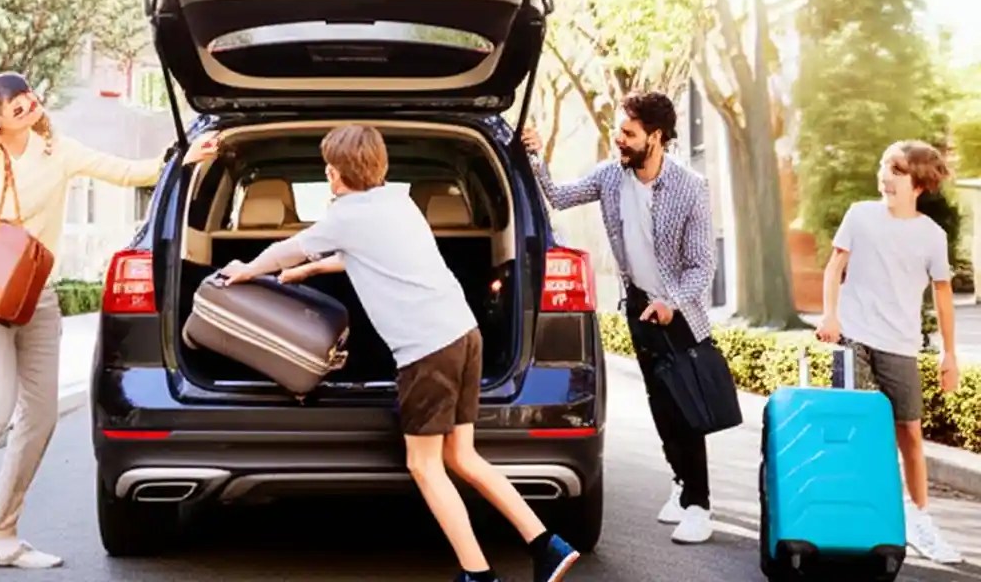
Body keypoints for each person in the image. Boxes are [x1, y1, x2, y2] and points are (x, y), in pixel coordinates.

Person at [220, 125, 580, 582]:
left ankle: (478, 575)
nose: (327, 173)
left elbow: (283, 249)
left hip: (427, 350)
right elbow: (363, 254)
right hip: (463, 334)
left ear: (339, 173)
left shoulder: (345, 216)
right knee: (462, 458)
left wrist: (245, 270)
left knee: (424, 465)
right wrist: (310, 270)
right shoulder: (397, 201)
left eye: (329, 167)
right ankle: (547, 545)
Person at [0, 72, 218, 571]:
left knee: (39, 417)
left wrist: (182, 157)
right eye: (12, 99)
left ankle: (2, 535)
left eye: (28, 95)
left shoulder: (58, 151)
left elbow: (125, 171)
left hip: (36, 296)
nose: (26, 103)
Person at [521, 91, 719, 545]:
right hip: (639, 306)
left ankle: (700, 505)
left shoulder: (690, 187)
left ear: (657, 137)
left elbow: (702, 264)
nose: (619, 140)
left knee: (687, 409)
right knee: (660, 403)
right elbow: (557, 195)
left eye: (629, 133)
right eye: (619, 130)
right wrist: (535, 155)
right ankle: (681, 483)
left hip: (679, 311)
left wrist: (672, 302)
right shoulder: (611, 177)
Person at [815, 140, 963, 565]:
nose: (885, 176)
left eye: (896, 171)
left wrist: (949, 354)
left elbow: (943, 294)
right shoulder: (861, 216)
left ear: (918, 183)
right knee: (857, 429)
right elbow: (834, 267)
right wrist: (830, 317)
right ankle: (857, 519)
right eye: (883, 167)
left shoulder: (932, 236)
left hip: (900, 345)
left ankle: (920, 520)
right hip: (855, 338)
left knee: (910, 434)